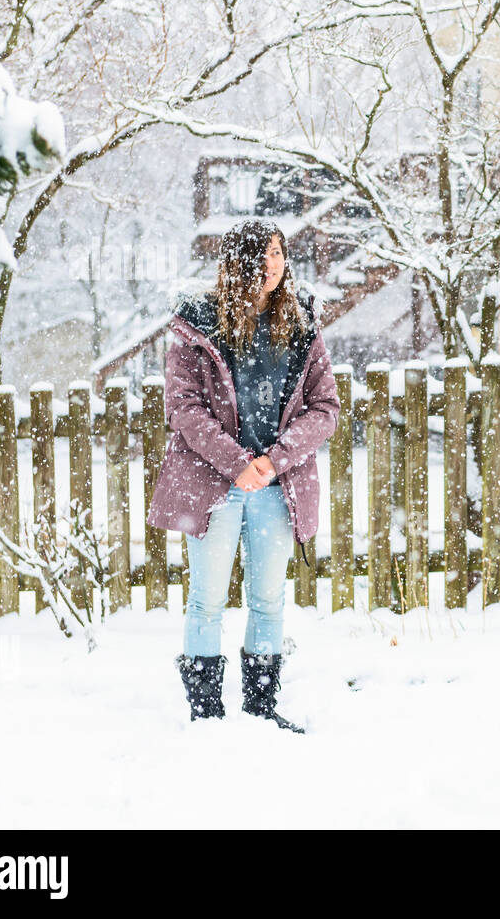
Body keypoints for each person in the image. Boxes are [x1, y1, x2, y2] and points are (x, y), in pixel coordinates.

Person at [147, 219, 340, 733]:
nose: (273, 264)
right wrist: (238, 464)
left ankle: (259, 709)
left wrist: (273, 461)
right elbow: (183, 408)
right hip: (215, 486)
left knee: (268, 600)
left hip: (278, 488)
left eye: (279, 253)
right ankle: (206, 715)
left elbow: (325, 408)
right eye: (263, 254)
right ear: (238, 262)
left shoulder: (302, 325)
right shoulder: (197, 323)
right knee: (207, 599)